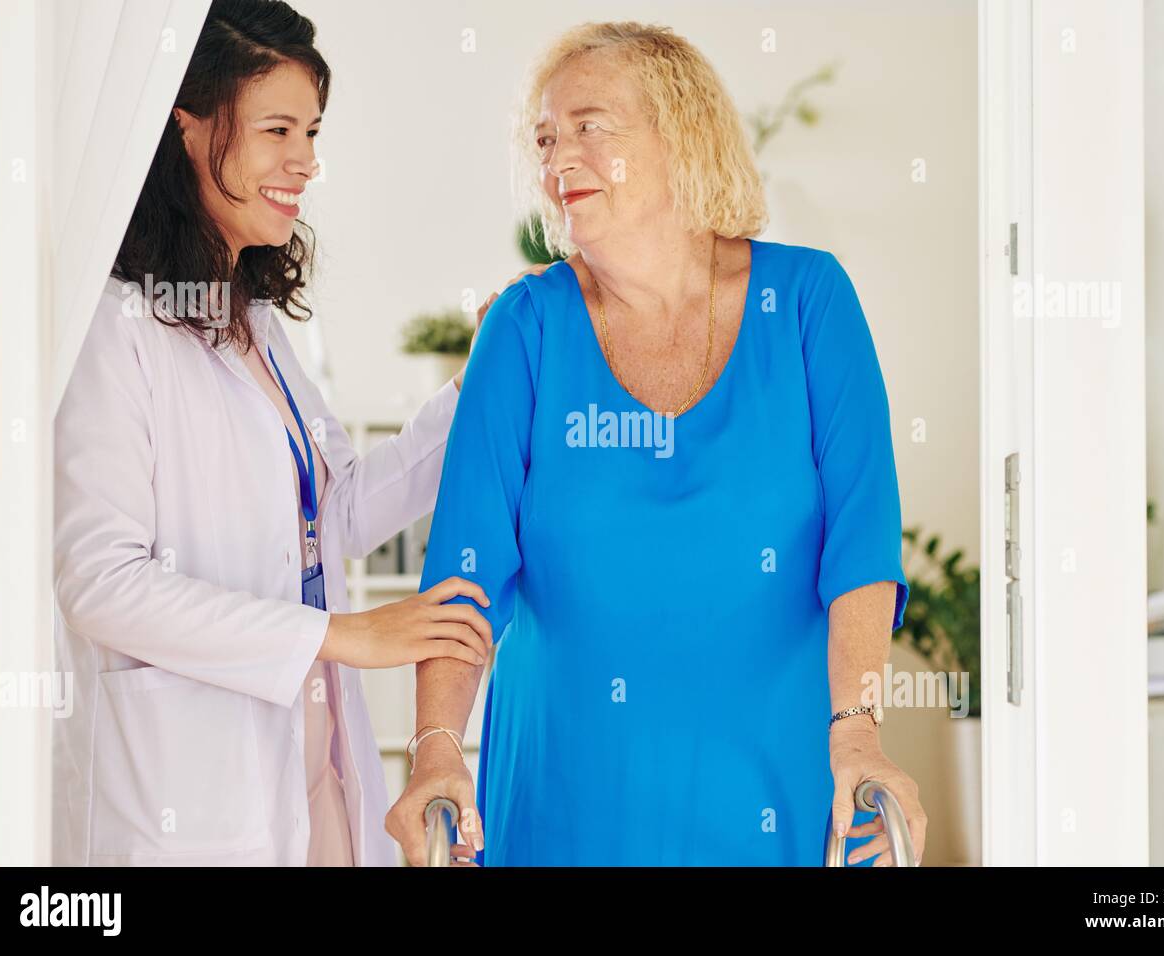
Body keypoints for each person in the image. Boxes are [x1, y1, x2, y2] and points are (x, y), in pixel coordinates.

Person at [388, 21, 927, 866]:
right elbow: (463, 574)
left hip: (766, 794)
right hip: (560, 803)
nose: (559, 157)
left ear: (683, 135)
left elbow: (862, 547)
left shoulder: (810, 301)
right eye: (545, 138)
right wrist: (435, 746)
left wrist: (856, 731)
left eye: (590, 127)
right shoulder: (525, 330)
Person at [51, 0, 531, 866]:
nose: (306, 161)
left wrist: (475, 383)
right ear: (188, 127)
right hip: (189, 796)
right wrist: (339, 637)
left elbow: (338, 513)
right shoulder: (114, 326)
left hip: (312, 774)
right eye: (279, 129)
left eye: (311, 131)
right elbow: (100, 583)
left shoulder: (255, 322)